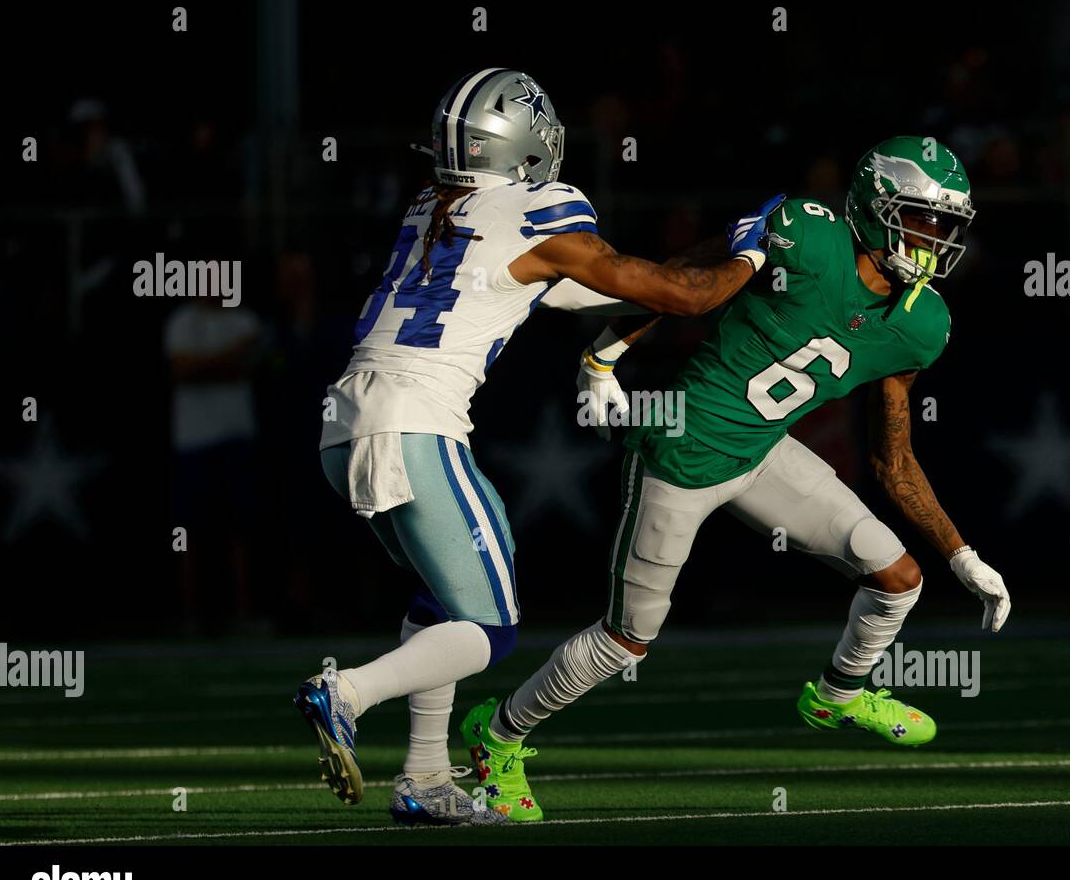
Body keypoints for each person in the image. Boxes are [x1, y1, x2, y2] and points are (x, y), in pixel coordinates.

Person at [463, 137, 1011, 822]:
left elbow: (892, 460)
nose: (933, 240)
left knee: (899, 578)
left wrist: (962, 553)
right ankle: (499, 734)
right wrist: (606, 356)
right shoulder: (807, 233)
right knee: (627, 639)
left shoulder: (922, 323)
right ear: (875, 206)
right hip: (681, 454)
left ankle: (837, 694)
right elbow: (681, 274)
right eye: (922, 219)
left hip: (760, 451)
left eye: (943, 226)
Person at [292, 67, 780, 827]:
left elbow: (626, 287)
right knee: (491, 630)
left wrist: (710, 250)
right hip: (417, 424)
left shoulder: (433, 205)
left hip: (344, 422)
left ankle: (426, 779)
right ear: (522, 149)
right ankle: (346, 692)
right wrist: (749, 254)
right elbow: (682, 298)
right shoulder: (539, 210)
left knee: (441, 600)